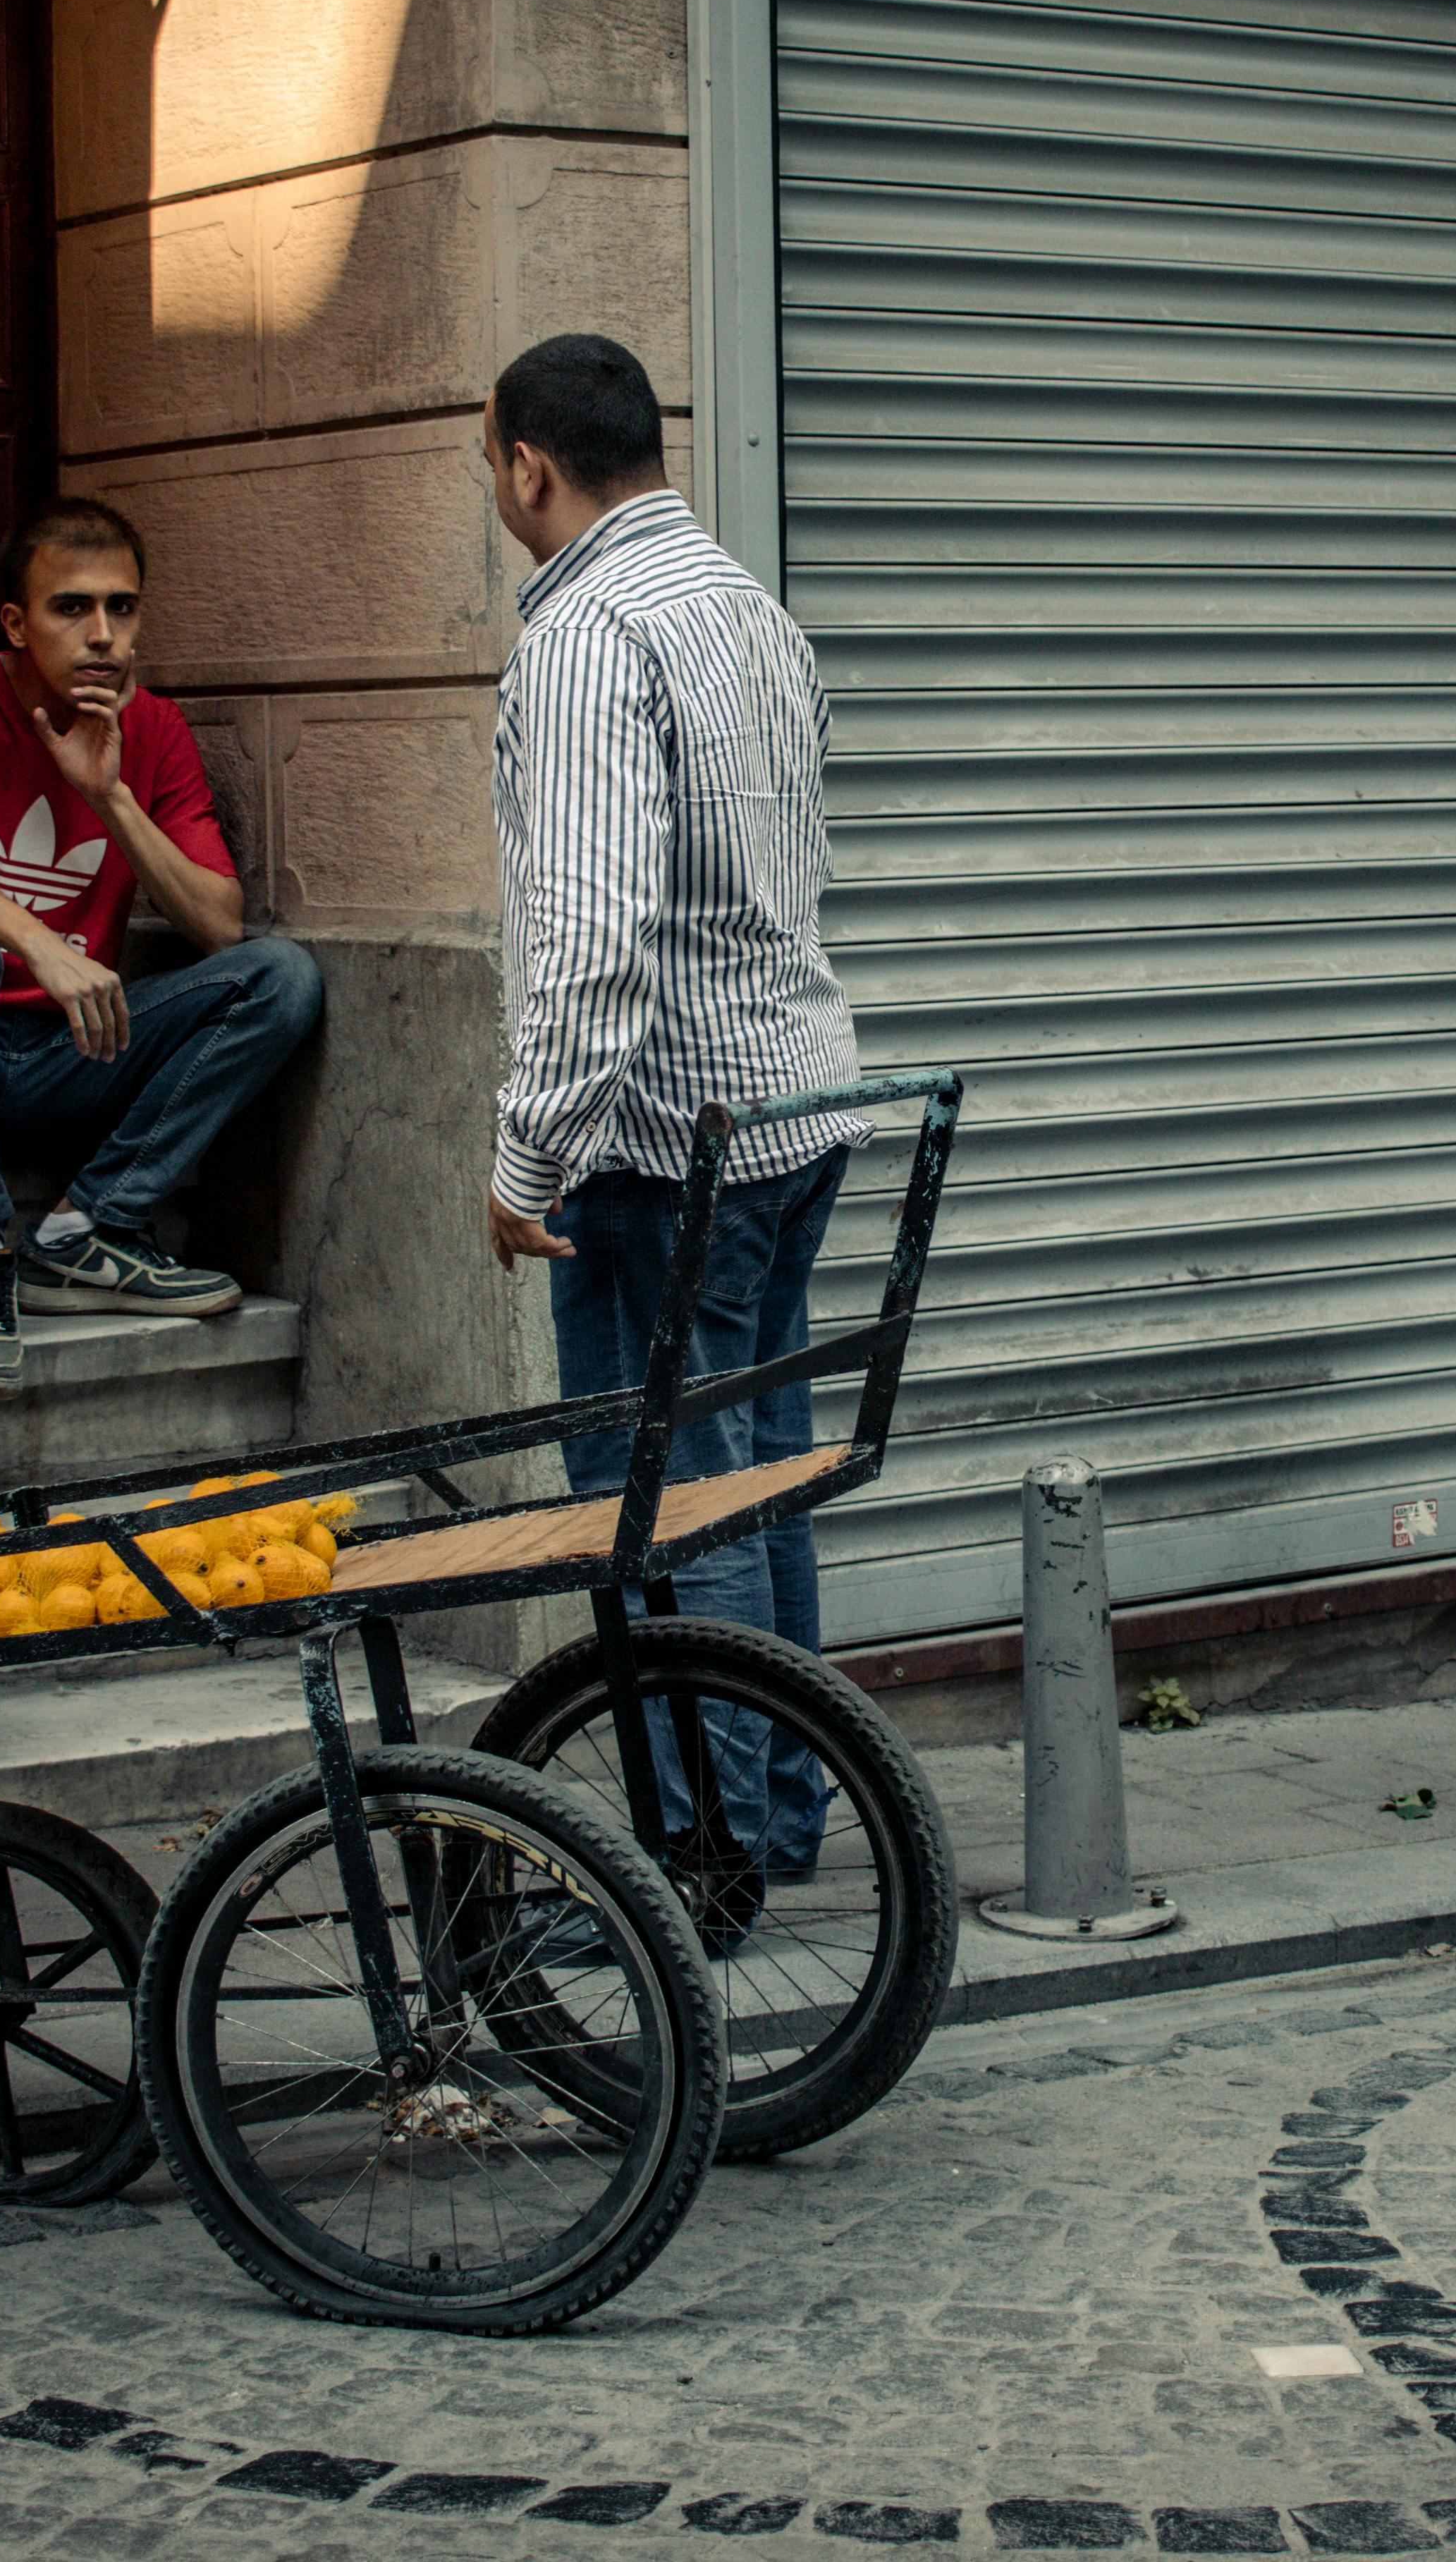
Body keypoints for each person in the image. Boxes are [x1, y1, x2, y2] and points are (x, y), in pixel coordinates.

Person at [478, 332, 865, 1897]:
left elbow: (592, 935)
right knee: (759, 1475)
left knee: (671, 1512)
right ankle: (778, 1824)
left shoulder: (584, 635)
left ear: (529, 467)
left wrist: (525, 1157)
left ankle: (702, 1861)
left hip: (664, 1151)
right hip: (796, 1107)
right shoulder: (748, 613)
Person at [0, 496, 322, 1397]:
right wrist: (40, 945)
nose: (103, 634)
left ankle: (88, 1233)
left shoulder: (149, 730)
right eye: (72, 608)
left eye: (122, 607)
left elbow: (217, 924)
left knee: (279, 976)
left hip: (42, 1065)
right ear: (16, 622)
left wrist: (112, 796)